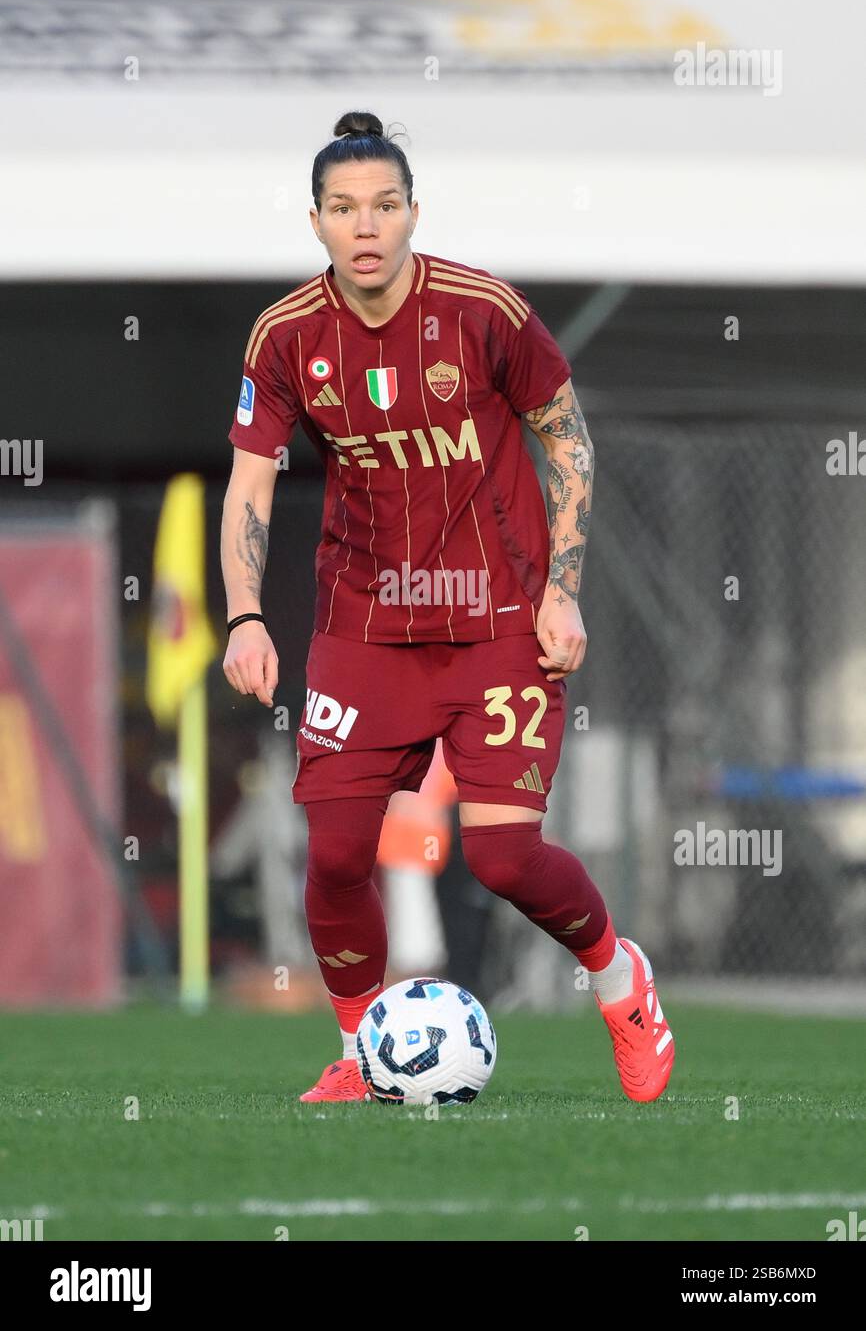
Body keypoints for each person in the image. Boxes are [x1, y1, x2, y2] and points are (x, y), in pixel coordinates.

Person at [220, 111, 675, 1103]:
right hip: (363, 631)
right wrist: (244, 616)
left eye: (384, 204)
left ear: (413, 212)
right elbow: (250, 484)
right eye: (344, 208)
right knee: (337, 851)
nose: (366, 224)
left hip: (495, 625)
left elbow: (567, 443)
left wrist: (560, 589)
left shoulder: (482, 312)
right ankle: (355, 1055)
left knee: (504, 856)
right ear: (316, 222)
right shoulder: (288, 336)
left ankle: (620, 984)